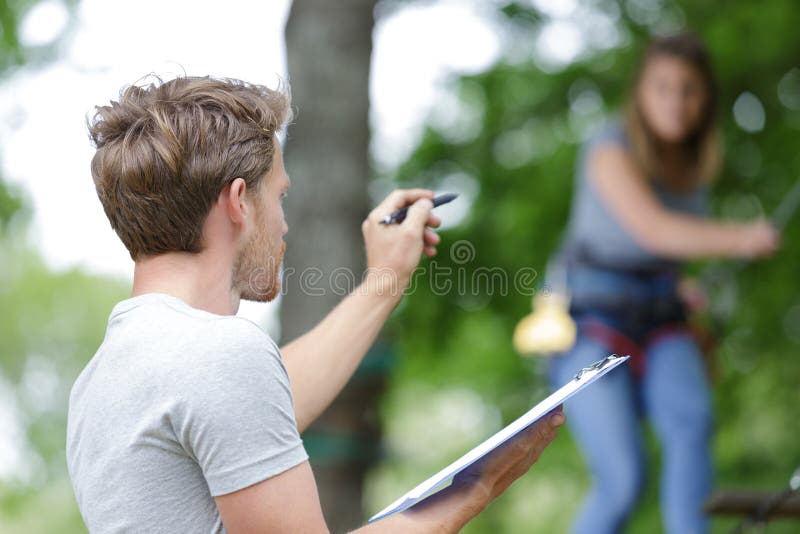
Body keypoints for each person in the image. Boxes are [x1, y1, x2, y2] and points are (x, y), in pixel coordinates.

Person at [65, 76, 565, 534]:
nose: (284, 226)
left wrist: (384, 283)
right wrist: (478, 486)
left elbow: (266, 399)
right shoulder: (218, 356)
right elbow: (234, 381)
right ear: (239, 201)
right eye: (279, 197)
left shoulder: (102, 382)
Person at [547, 33, 779, 534]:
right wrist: (742, 238)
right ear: (639, 93)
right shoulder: (608, 150)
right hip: (590, 323)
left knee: (691, 425)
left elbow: (666, 252)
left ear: (706, 99)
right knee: (623, 478)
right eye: (663, 87)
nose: (676, 101)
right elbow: (652, 230)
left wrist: (683, 288)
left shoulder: (692, 169)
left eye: (690, 89)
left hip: (663, 319)